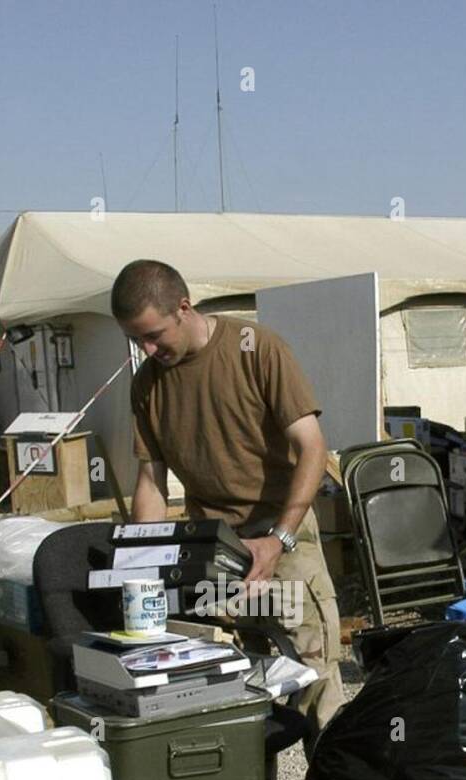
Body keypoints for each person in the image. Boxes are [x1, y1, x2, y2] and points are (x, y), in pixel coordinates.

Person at [111, 258, 345, 731]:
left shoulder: (255, 350)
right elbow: (152, 481)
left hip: (286, 537)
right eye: (136, 340)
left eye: (154, 335)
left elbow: (312, 449)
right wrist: (141, 563)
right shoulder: (146, 385)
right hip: (216, 552)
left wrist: (278, 539)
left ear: (183, 307)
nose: (147, 348)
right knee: (240, 694)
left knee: (314, 686)